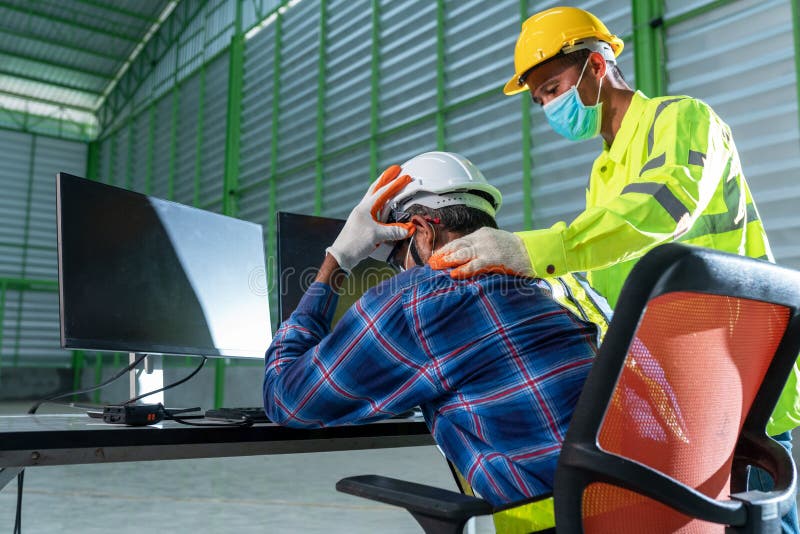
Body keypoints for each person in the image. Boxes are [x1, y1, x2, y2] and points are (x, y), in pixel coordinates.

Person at [427, 6, 800, 532]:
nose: (548, 106)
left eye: (553, 87)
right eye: (539, 100)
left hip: (739, 388)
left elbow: (661, 207)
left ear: (597, 66)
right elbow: (600, 281)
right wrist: (519, 287)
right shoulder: (604, 175)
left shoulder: (681, 119)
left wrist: (527, 248)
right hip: (680, 407)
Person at [263, 151, 602, 529]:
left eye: (395, 257)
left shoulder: (419, 298)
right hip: (631, 510)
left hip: (551, 522)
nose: (399, 268)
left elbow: (286, 400)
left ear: (421, 231)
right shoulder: (544, 287)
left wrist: (337, 259)